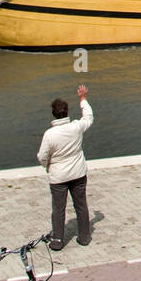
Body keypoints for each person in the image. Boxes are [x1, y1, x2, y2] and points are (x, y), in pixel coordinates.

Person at [38, 84, 94, 250]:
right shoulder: (76, 127)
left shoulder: (50, 134)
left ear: (54, 114)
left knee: (58, 208)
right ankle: (84, 237)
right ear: (67, 112)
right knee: (81, 205)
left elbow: (42, 156)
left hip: (58, 177)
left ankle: (58, 240)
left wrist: (47, 166)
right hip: (78, 173)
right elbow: (88, 117)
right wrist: (83, 99)